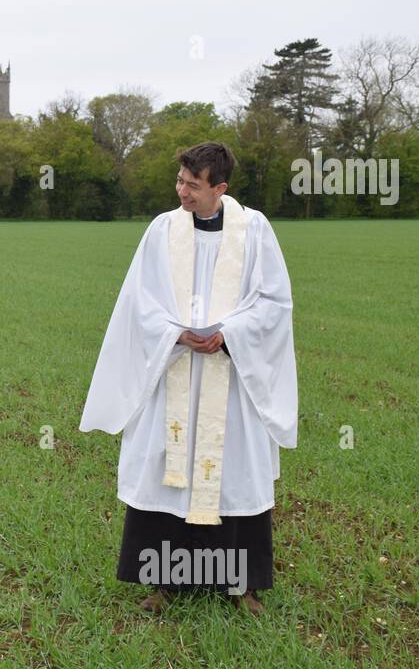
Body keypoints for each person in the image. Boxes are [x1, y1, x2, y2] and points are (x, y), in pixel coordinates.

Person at [79, 142, 297, 616]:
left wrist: (230, 334)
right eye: (179, 181)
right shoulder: (163, 230)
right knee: (166, 469)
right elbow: (138, 299)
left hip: (230, 374)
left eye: (193, 186)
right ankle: (163, 582)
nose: (182, 192)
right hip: (174, 365)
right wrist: (175, 332)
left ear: (220, 187)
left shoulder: (254, 230)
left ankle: (241, 585)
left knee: (235, 471)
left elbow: (275, 302)